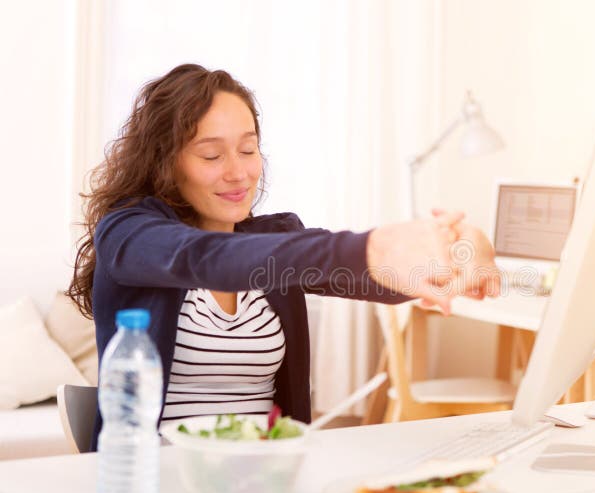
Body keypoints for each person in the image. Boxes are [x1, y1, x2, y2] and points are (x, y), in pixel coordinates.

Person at [68, 64, 501, 450]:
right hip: (163, 485)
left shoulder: (274, 241)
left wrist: (462, 251)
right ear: (166, 162)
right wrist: (369, 246)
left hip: (266, 481)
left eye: (248, 149)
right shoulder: (130, 234)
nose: (238, 172)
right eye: (212, 155)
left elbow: (377, 276)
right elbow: (204, 257)